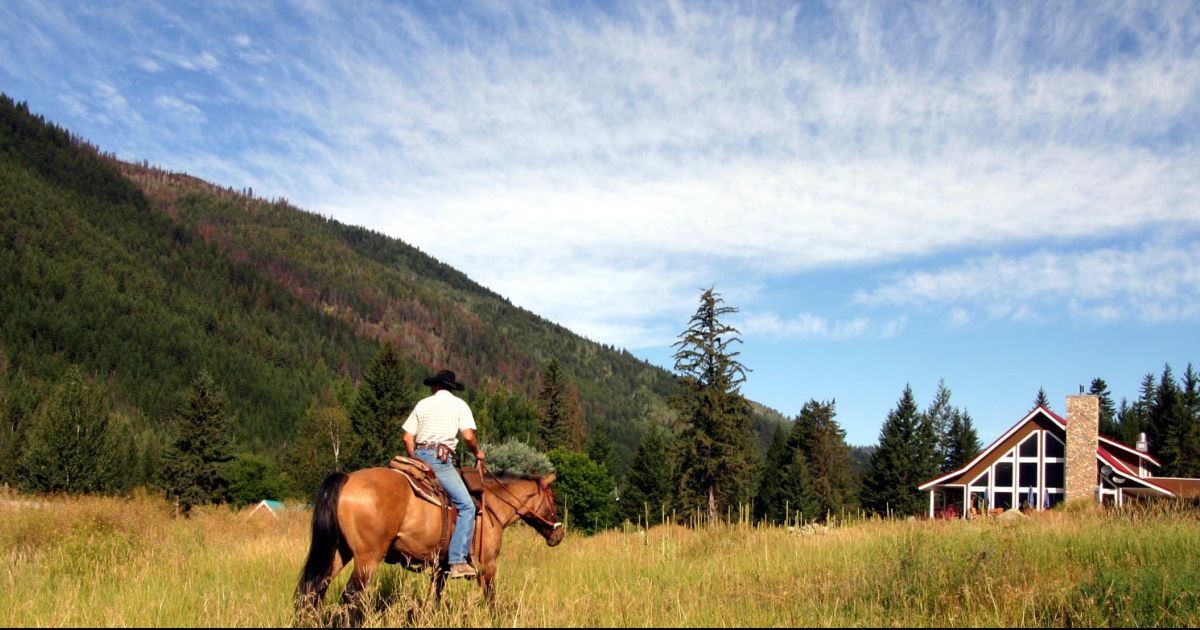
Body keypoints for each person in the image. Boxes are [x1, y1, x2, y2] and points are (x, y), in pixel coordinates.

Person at [403, 369, 486, 579]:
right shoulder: (459, 405)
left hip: (417, 457)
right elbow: (468, 436)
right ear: (451, 388)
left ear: (436, 386)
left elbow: (407, 438)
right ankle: (457, 560)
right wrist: (477, 452)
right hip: (440, 461)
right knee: (467, 506)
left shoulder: (423, 404)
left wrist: (415, 458)